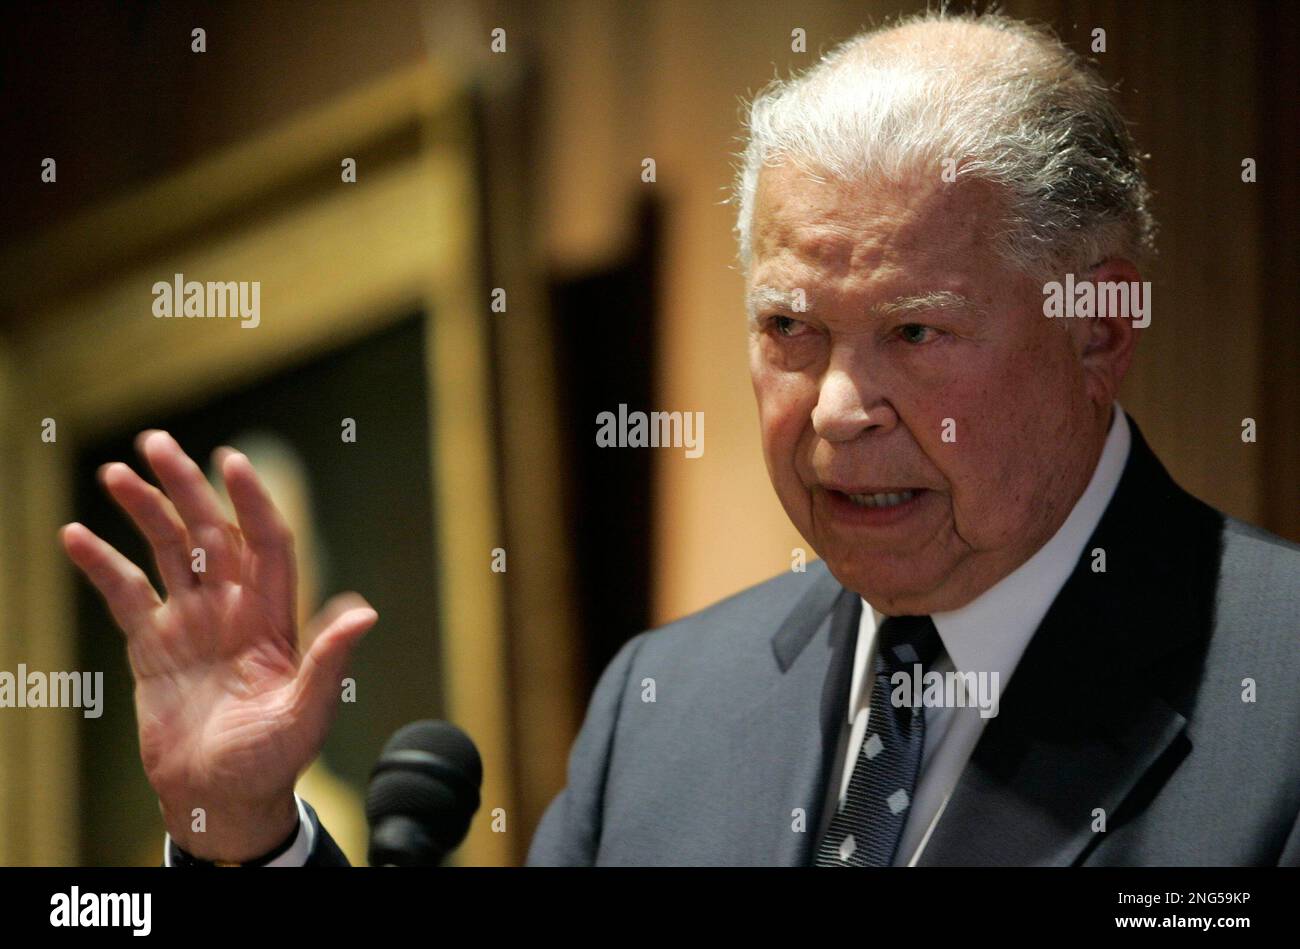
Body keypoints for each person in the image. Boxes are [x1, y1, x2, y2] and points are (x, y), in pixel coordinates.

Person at [63, 11, 1300, 867]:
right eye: (789, 328)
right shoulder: (664, 710)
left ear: (1100, 326)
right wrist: (244, 835)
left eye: (915, 332)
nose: (833, 408)